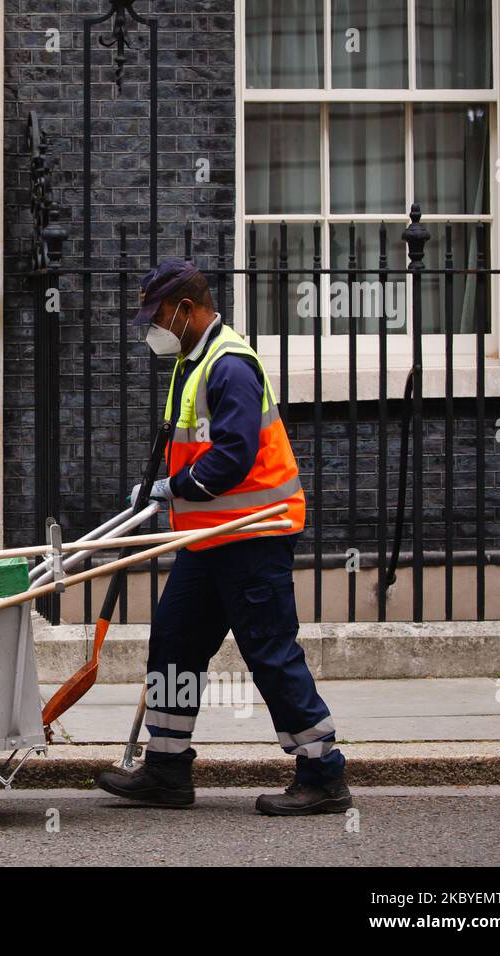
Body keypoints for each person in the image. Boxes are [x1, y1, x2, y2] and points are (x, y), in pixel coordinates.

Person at [96, 258, 352, 816]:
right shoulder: (193, 360)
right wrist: (158, 491)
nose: (152, 328)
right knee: (173, 641)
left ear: (186, 309)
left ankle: (323, 775)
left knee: (270, 651)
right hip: (210, 537)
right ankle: (166, 769)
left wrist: (173, 488)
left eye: (158, 315)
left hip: (252, 534)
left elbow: (233, 458)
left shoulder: (228, 364)